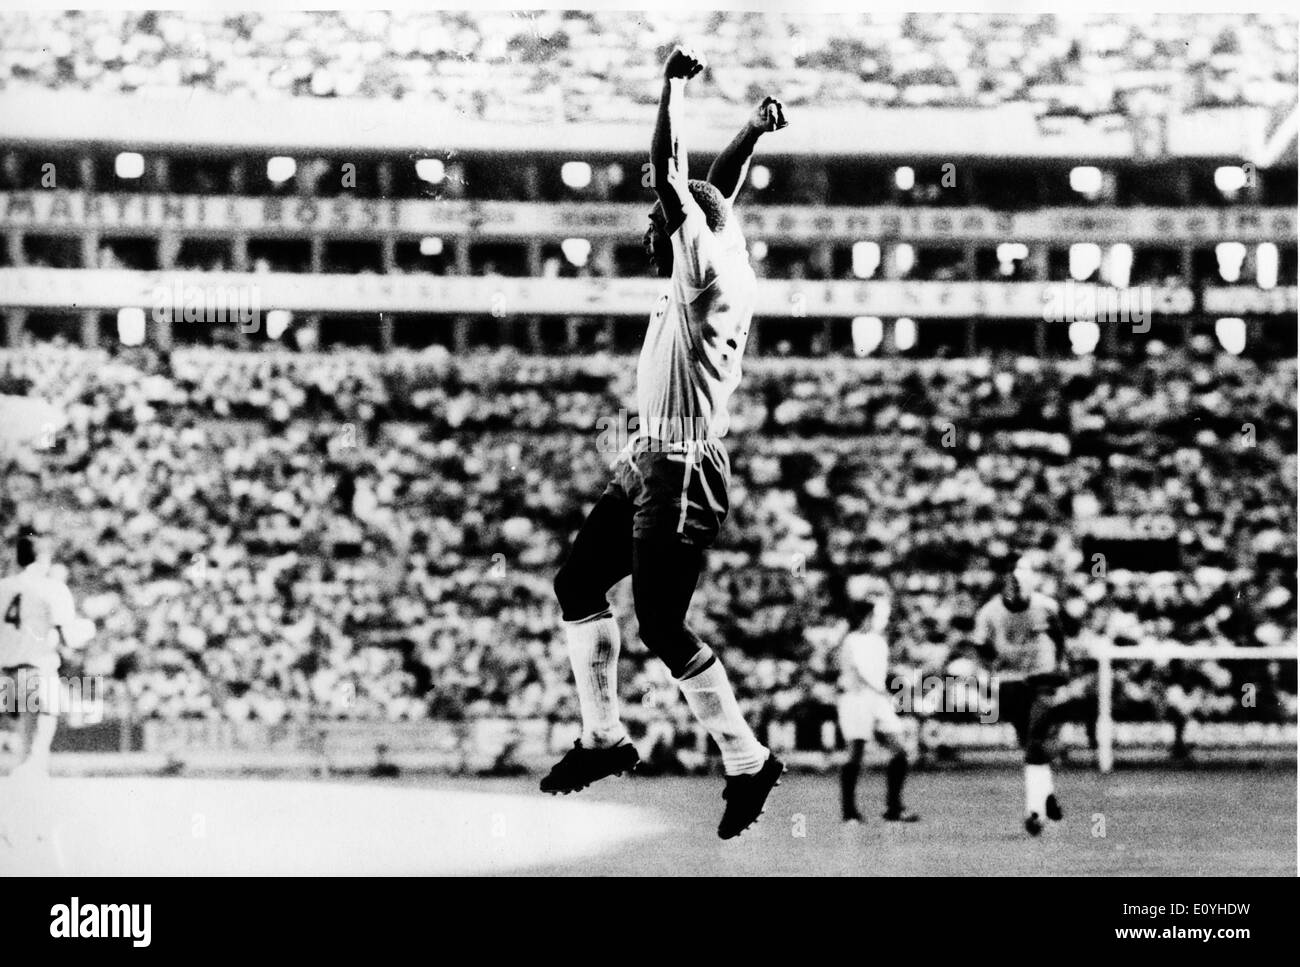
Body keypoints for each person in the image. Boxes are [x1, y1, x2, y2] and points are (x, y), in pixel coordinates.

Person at [540, 44, 788, 839]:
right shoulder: (722, 254)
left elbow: (674, 171)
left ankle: (748, 757)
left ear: (686, 226)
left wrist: (673, 87)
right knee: (577, 582)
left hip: (683, 460)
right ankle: (605, 734)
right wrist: (749, 133)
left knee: (660, 625)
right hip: (652, 455)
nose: (651, 229)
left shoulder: (699, 271)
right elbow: (713, 187)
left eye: (660, 220)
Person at [972, 562, 1069, 836]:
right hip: (1010, 679)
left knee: (1035, 740)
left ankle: (1034, 811)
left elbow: (1060, 636)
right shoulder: (989, 611)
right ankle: (1046, 793)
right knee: (1028, 743)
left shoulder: (1046, 606)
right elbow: (979, 644)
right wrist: (992, 663)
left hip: (1042, 676)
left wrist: (1061, 664)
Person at [0, 533, 93, 779]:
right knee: (48, 707)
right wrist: (86, 630)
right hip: (35, 666)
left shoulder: (3, 587)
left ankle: (27, 765)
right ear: (43, 558)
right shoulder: (52, 588)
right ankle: (32, 763)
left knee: (28, 717)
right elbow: (66, 635)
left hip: (6, 671)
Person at [837, 595, 919, 824]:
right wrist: (881, 690)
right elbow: (857, 672)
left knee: (900, 750)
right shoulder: (851, 640)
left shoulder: (879, 641)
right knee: (856, 752)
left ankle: (894, 808)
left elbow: (879, 670)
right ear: (865, 617)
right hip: (856, 699)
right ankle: (849, 811)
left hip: (877, 698)